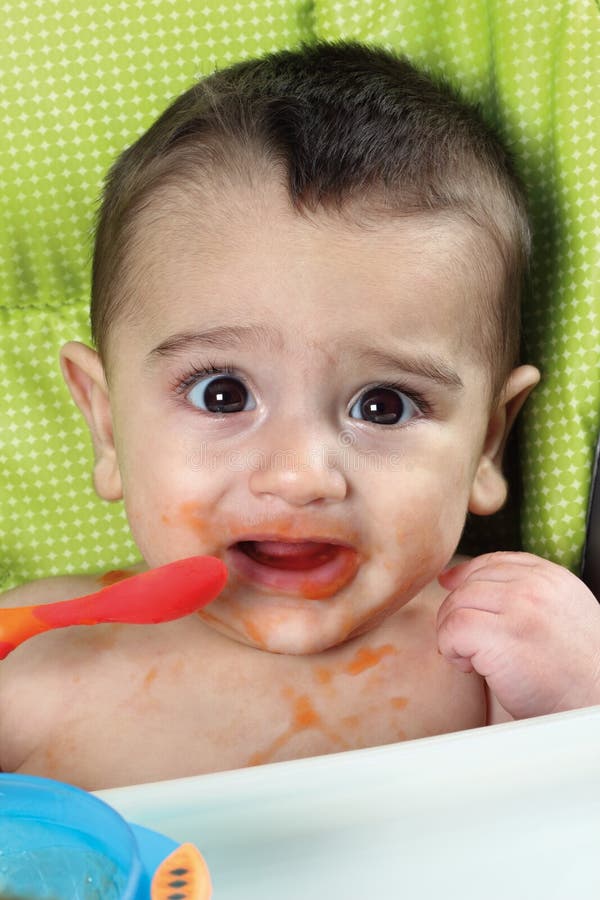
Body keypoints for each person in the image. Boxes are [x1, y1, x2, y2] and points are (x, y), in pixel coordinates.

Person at [1, 42, 598, 791]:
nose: (299, 475)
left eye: (383, 406)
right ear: (105, 421)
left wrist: (583, 700)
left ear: (485, 444)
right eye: (222, 393)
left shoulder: (496, 660)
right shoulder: (32, 651)